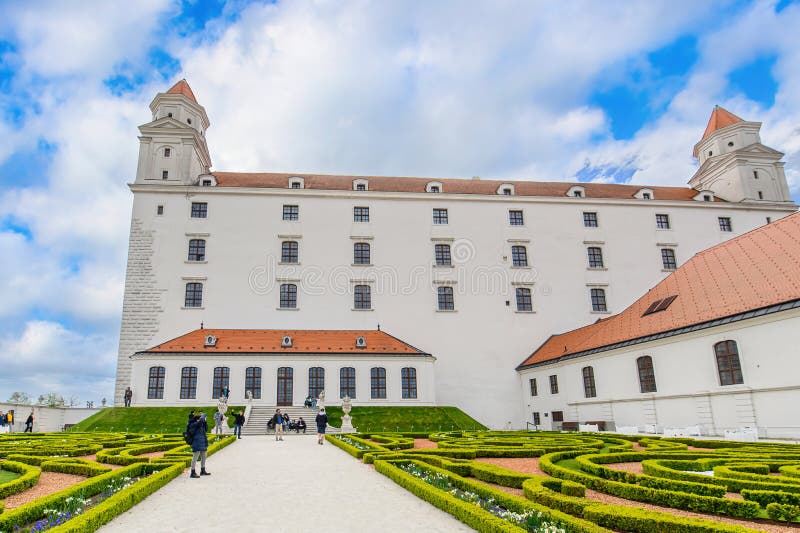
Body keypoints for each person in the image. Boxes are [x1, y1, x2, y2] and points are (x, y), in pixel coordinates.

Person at [188, 414, 210, 478]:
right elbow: (199, 422)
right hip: (196, 443)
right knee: (195, 458)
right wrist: (203, 416)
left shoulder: (201, 424)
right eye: (202, 419)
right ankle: (192, 472)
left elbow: (206, 429)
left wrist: (205, 422)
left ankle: (202, 470)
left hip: (202, 443)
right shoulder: (193, 424)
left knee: (204, 457)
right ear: (199, 419)